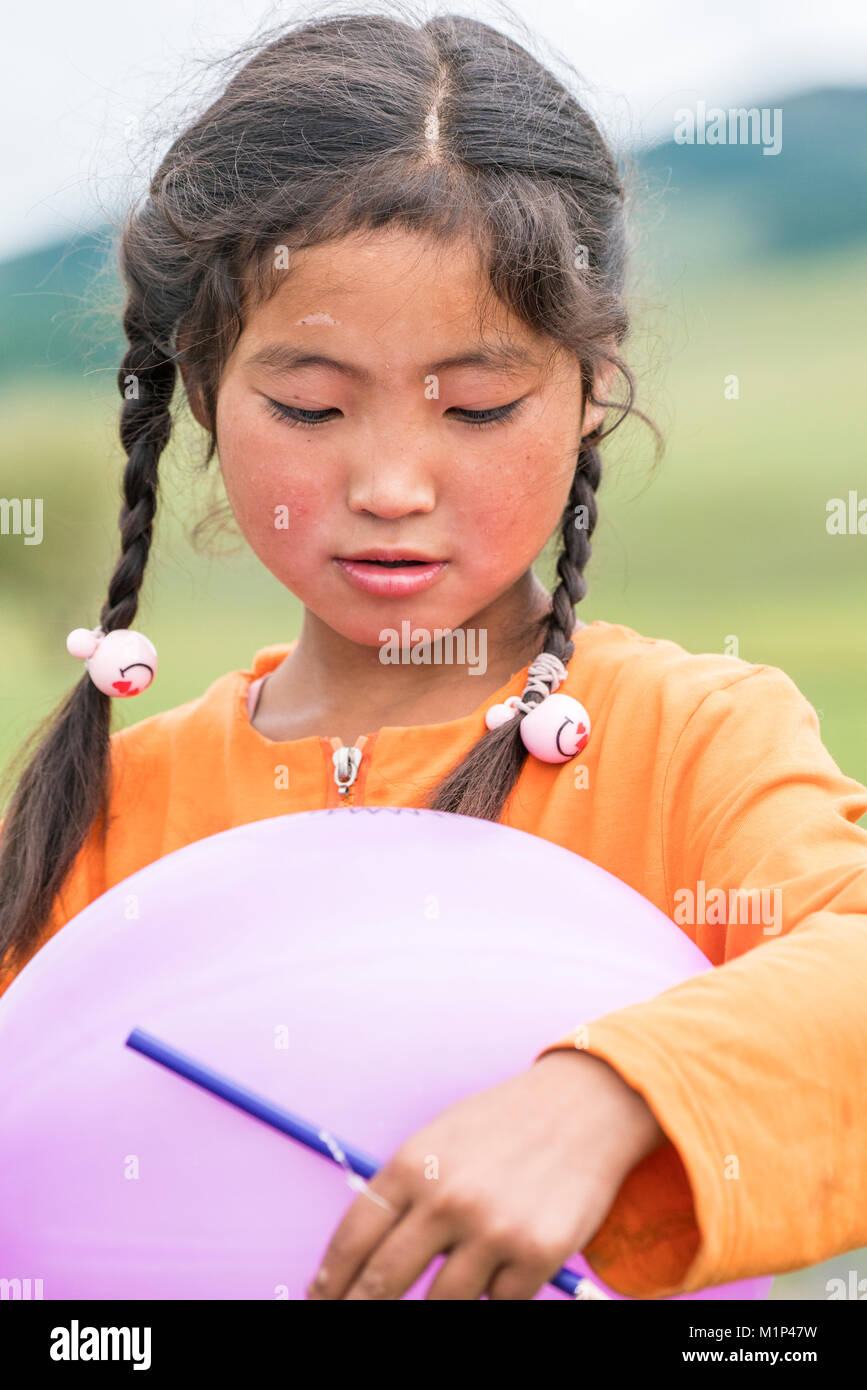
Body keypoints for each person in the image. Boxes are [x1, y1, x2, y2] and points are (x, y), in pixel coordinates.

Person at [1, 5, 865, 1301]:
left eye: (477, 404)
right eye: (310, 403)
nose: (392, 481)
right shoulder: (118, 812)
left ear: (590, 387)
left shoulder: (693, 742)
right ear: (199, 388)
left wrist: (611, 1091)